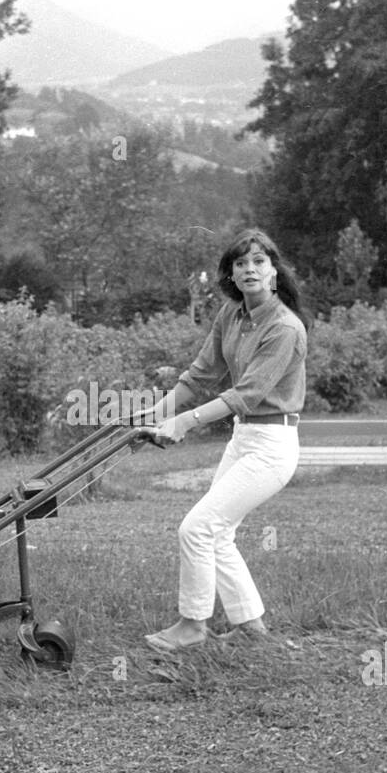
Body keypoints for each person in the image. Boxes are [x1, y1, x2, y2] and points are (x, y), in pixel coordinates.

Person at [137, 228, 312, 652]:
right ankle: (251, 627)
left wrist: (184, 423)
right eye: (240, 264)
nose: (249, 270)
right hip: (244, 437)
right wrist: (152, 415)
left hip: (272, 445)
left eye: (258, 262)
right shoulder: (230, 317)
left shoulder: (285, 328)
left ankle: (193, 625)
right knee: (218, 533)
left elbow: (246, 394)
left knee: (196, 528)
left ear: (274, 272)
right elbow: (199, 376)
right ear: (230, 275)